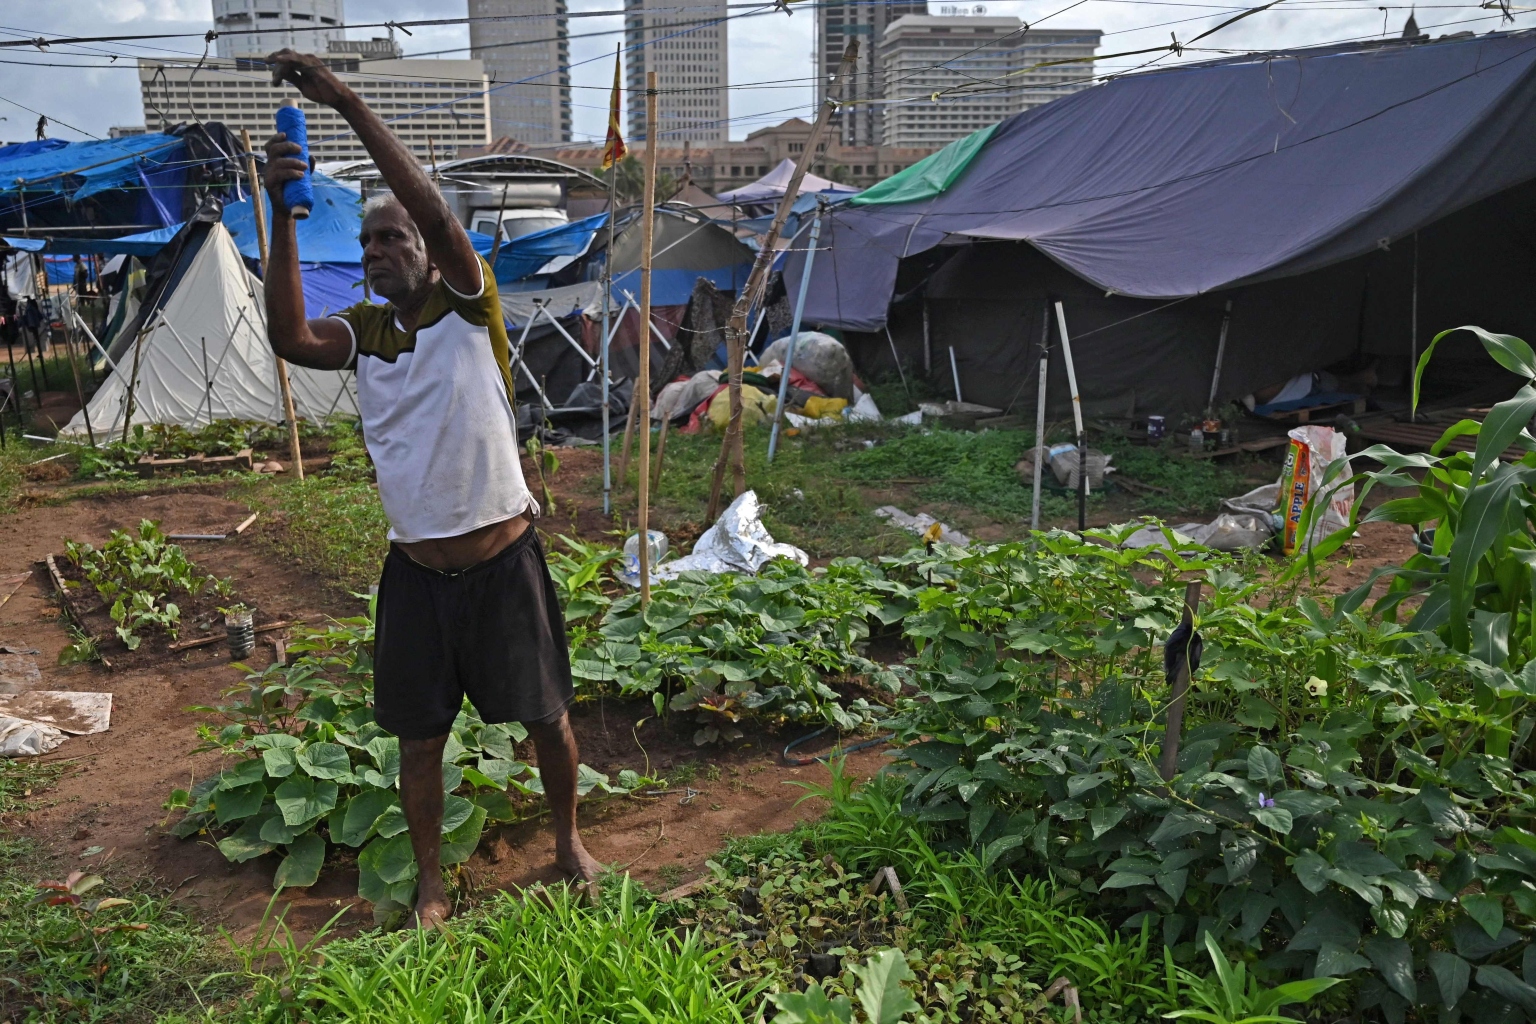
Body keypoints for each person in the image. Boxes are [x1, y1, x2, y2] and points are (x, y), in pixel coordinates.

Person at [258, 49, 603, 928]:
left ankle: (568, 844)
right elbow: (291, 336)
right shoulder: (365, 331)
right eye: (368, 241)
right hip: (416, 575)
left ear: (427, 243)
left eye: (394, 236)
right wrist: (282, 208)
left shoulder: (467, 302)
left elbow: (436, 217)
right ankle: (433, 883)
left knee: (547, 719)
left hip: (502, 562)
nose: (379, 250)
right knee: (419, 741)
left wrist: (343, 101)